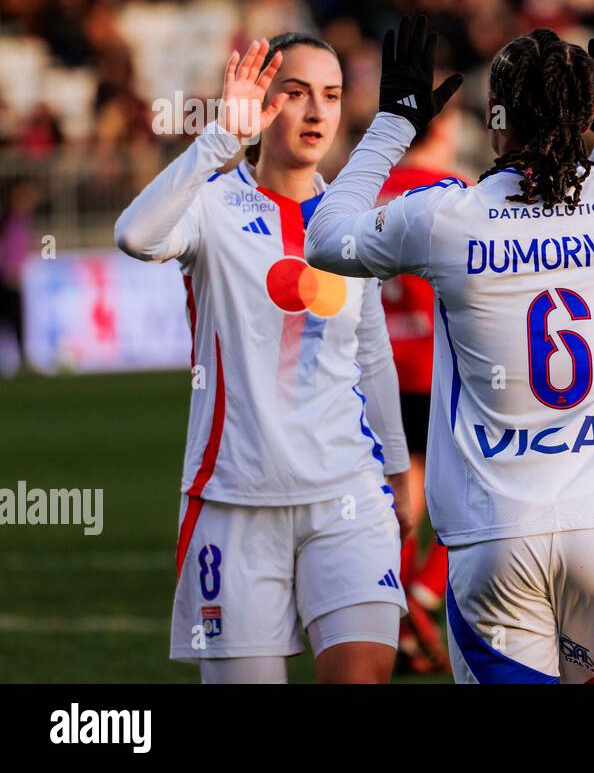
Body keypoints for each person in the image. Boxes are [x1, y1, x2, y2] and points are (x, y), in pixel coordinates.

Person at [304, 16, 594, 683]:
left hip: (494, 534)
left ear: (497, 119)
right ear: (585, 113)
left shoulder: (447, 215)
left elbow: (325, 239)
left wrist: (392, 124)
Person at [115, 35, 412, 684]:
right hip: (234, 502)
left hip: (347, 496)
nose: (316, 112)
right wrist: (221, 138)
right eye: (295, 93)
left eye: (331, 95)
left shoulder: (354, 219)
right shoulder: (213, 206)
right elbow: (134, 236)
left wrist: (396, 469)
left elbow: (371, 352)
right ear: (262, 104)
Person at [375, 111, 466, 674]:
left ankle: (398, 609)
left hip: (384, 364)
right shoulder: (456, 191)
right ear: (444, 129)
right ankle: (427, 589)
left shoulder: (370, 189)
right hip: (441, 365)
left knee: (403, 487)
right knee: (472, 483)